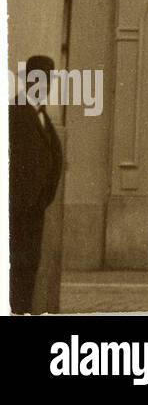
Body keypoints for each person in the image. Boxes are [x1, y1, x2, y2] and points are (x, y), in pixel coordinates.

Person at [10, 55, 64, 314]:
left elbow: (53, 158)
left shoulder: (41, 115)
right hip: (16, 210)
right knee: (15, 264)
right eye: (41, 80)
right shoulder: (14, 111)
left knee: (29, 264)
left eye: (50, 80)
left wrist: (43, 199)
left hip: (35, 209)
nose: (46, 86)